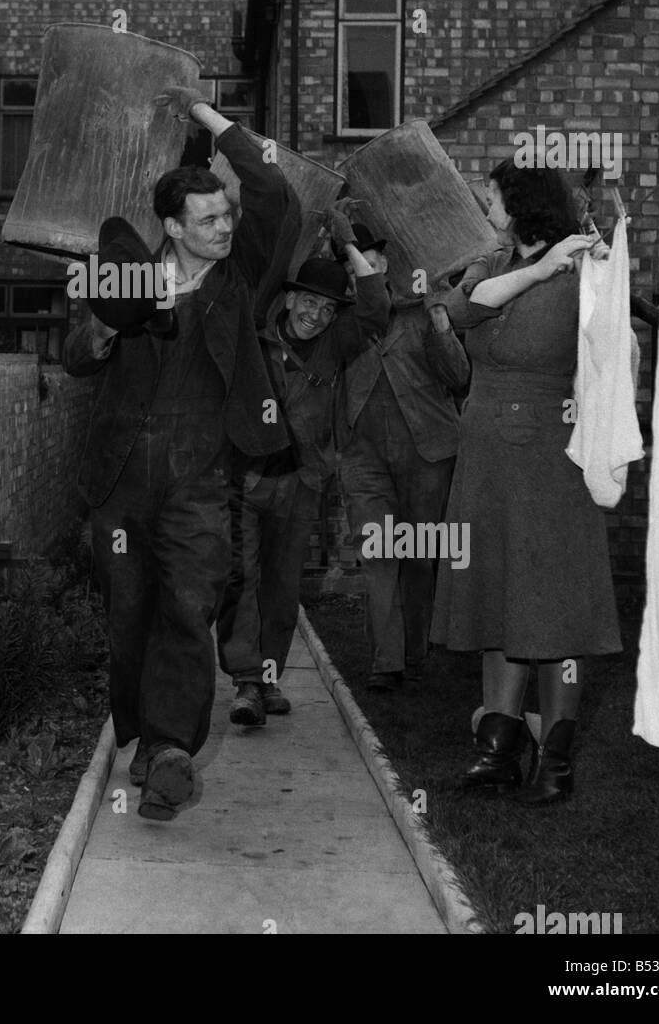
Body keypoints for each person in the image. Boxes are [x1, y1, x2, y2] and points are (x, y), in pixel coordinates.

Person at [62, 86, 293, 821]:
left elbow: (275, 193)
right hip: (124, 477)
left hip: (199, 478)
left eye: (224, 216)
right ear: (170, 226)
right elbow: (75, 357)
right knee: (131, 614)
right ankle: (141, 736)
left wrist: (208, 120)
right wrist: (103, 327)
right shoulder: (124, 277)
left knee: (189, 610)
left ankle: (168, 751)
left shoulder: (238, 281)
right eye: (206, 219)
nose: (223, 227)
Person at [430, 160, 617, 805]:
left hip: (550, 456)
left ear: (521, 200)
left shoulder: (591, 269)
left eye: (492, 194)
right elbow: (460, 309)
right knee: (494, 598)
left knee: (553, 607)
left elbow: (614, 351)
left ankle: (555, 763)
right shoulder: (495, 262)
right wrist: (539, 269)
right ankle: (498, 750)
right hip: (484, 456)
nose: (485, 203)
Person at [218, 221, 389, 725]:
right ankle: (246, 682)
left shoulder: (337, 343)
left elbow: (376, 308)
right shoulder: (254, 336)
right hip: (247, 480)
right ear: (289, 300)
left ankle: (266, 679)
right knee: (241, 579)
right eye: (309, 302)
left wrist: (349, 245)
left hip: (302, 484)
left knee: (283, 586)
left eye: (329, 307)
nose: (317, 315)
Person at [334, 224, 471, 692]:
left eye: (368, 261)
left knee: (418, 553)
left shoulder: (420, 310)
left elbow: (459, 377)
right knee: (378, 553)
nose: (360, 273)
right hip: (363, 455)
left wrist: (438, 320)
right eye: (352, 266)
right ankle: (385, 662)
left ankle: (416, 652)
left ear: (386, 264)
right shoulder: (343, 319)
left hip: (427, 449)